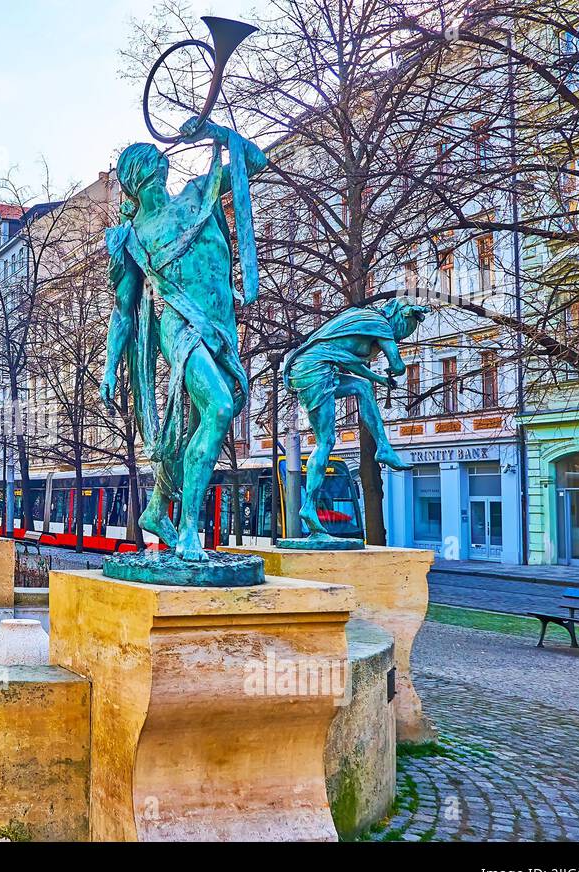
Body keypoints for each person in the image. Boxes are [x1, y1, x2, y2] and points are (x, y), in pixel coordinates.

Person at [100, 116, 267, 561]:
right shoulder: (133, 238)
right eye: (149, 161)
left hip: (219, 327)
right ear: (141, 176)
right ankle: (190, 529)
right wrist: (109, 368)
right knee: (219, 406)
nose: (159, 162)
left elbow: (257, 161)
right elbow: (123, 309)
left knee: (193, 432)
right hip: (180, 327)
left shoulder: (199, 192)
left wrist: (216, 131)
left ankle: (157, 509)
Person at [284, 297, 426, 537]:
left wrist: (379, 379)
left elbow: (344, 358)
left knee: (363, 388)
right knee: (325, 442)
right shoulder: (379, 323)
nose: (399, 339)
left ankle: (383, 448)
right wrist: (396, 368)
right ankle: (308, 508)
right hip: (313, 370)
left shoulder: (364, 318)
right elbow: (398, 364)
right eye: (403, 334)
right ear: (400, 319)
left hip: (314, 366)